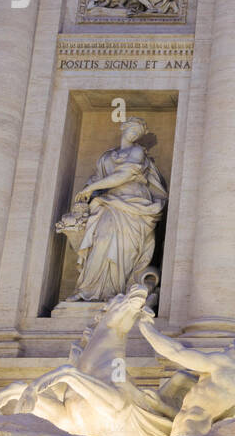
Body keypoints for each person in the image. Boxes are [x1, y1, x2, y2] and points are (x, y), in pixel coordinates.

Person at [65, 118, 167, 301]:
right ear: (123, 128)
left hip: (133, 206)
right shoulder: (107, 156)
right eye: (132, 130)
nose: (134, 135)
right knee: (101, 240)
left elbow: (124, 174)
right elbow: (97, 178)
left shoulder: (137, 151)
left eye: (138, 133)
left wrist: (90, 188)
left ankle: (115, 293)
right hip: (108, 203)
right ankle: (87, 290)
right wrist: (89, 191)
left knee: (125, 250)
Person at [136, 308, 235, 436]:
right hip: (192, 426)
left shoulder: (226, 363)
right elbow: (211, 416)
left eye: (230, 346)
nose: (226, 349)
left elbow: (176, 352)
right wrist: (161, 407)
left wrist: (146, 328)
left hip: (189, 426)